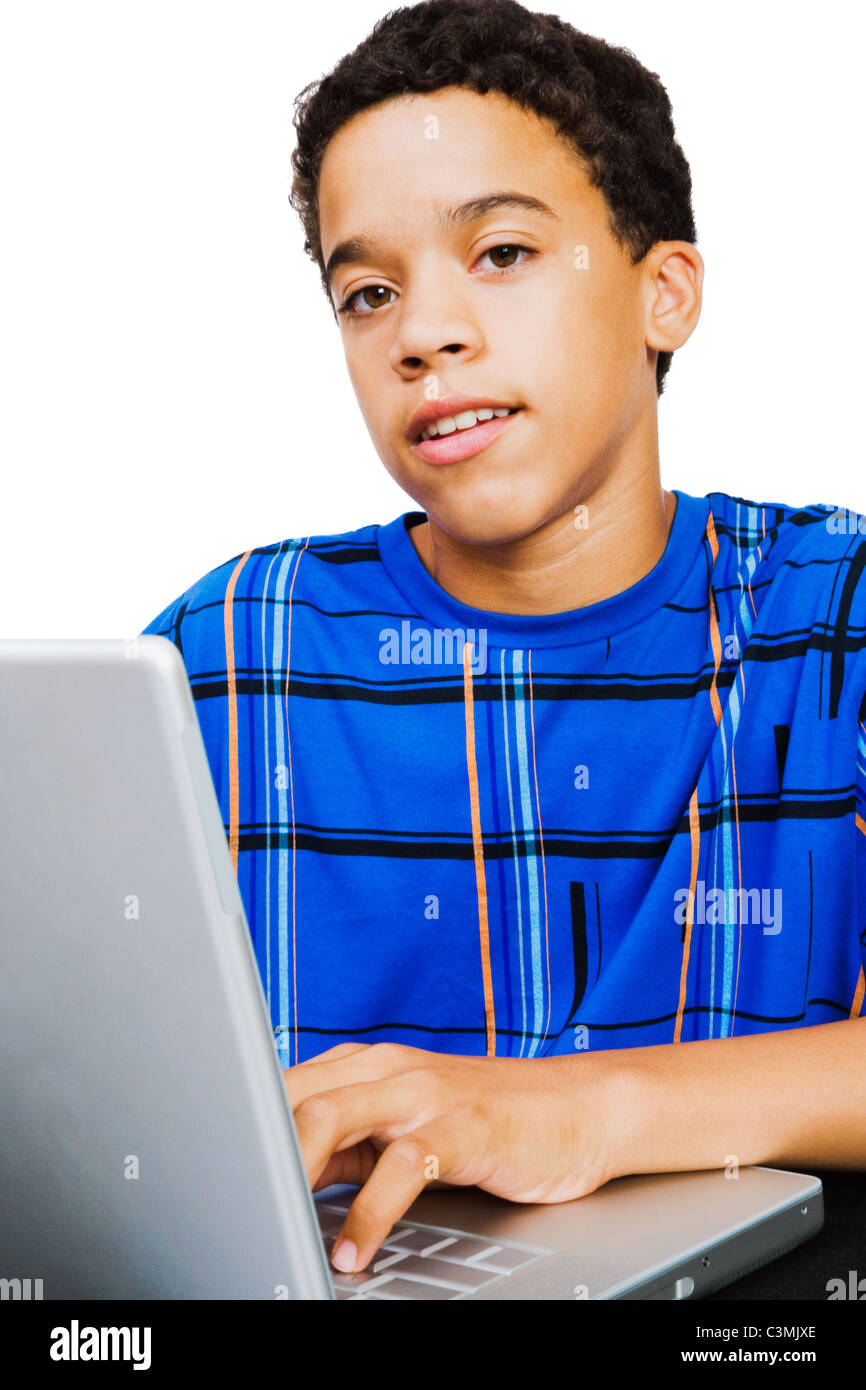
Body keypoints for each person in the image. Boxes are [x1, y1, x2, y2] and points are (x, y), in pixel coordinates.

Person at [141, 0, 866, 1277]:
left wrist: (576, 1110)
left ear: (664, 294)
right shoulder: (224, 657)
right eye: (367, 293)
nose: (422, 334)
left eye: (503, 253)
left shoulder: (830, 618)